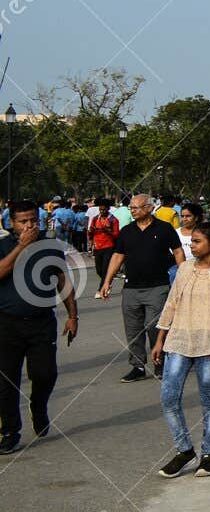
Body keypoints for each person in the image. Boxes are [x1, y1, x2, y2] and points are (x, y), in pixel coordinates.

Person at [151, 221, 210, 478]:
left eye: (198, 241)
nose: (192, 245)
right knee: (168, 397)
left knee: (209, 401)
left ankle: (208, 454)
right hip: (179, 341)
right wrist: (159, 339)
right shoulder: (184, 268)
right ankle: (184, 449)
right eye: (192, 241)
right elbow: (171, 303)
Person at [0, 201, 79, 454]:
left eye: (33, 219)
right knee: (6, 383)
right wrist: (22, 245)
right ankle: (10, 431)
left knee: (45, 374)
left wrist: (73, 315)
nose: (30, 225)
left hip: (41, 323)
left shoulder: (50, 245)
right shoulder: (2, 245)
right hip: (7, 324)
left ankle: (39, 406)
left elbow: (62, 279)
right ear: (11, 223)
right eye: (23, 221)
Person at [97, 193, 185, 381]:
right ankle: (137, 366)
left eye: (136, 207)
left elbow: (178, 251)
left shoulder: (164, 229)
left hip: (158, 287)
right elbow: (118, 256)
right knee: (133, 329)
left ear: (149, 208)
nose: (133, 211)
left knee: (155, 327)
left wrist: (183, 276)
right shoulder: (127, 231)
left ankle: (160, 363)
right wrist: (107, 281)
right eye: (131, 208)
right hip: (131, 289)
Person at [87, 198, 119, 285]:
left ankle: (101, 288)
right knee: (98, 270)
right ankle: (107, 282)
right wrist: (91, 231)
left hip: (109, 247)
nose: (102, 211)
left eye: (104, 209)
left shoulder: (113, 220)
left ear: (108, 209)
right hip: (97, 247)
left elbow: (116, 235)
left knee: (105, 269)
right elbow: (90, 233)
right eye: (100, 209)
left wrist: (108, 231)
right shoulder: (95, 219)